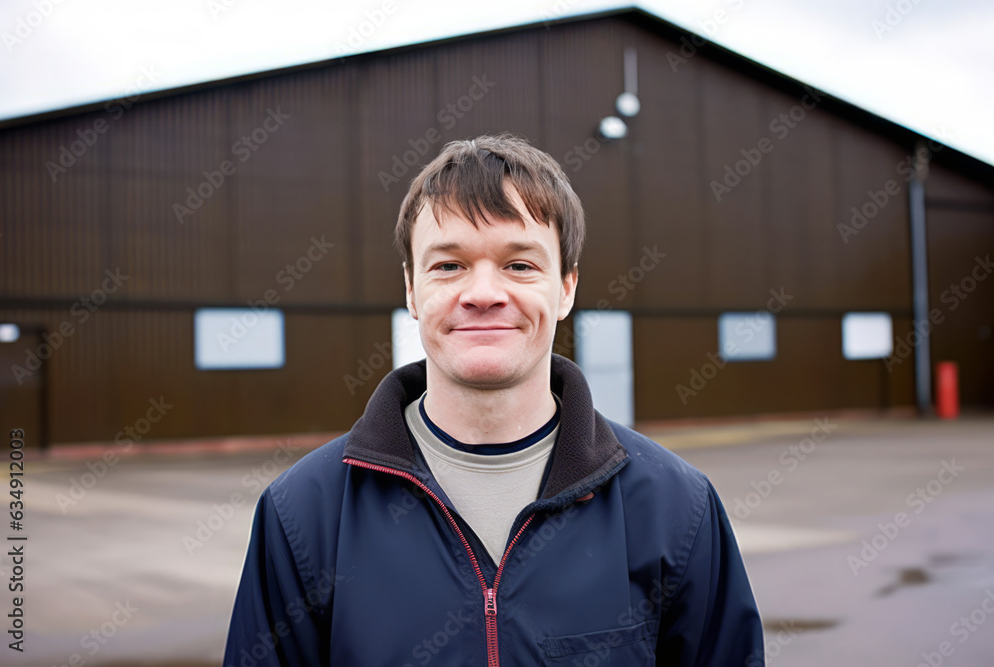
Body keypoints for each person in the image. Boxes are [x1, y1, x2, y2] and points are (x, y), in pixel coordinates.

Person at [224, 133, 764, 666]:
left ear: (567, 289)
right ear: (411, 290)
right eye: (449, 265)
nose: (483, 294)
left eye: (520, 265)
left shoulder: (677, 508)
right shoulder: (304, 513)